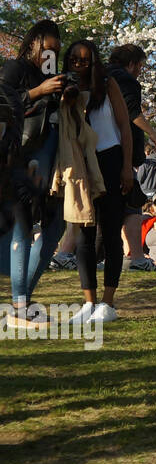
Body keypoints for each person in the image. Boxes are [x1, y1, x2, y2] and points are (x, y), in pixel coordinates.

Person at [0, 20, 68, 329]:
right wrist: (38, 91)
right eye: (47, 47)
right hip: (25, 156)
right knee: (24, 225)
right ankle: (19, 304)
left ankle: (23, 300)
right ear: (33, 43)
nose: (50, 54)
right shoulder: (15, 68)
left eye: (56, 49)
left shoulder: (56, 75)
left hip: (57, 160)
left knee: (55, 227)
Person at [64, 40, 134, 324]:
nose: (80, 65)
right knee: (83, 234)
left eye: (86, 60)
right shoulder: (64, 89)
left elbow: (124, 126)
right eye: (75, 60)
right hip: (79, 164)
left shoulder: (108, 85)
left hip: (110, 158)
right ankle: (88, 302)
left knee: (110, 229)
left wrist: (127, 166)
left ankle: (108, 302)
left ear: (95, 62)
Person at [106, 44, 156, 272]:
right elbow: (132, 112)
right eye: (139, 66)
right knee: (131, 204)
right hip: (121, 151)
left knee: (118, 204)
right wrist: (153, 134)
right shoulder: (126, 81)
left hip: (101, 147)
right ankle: (137, 257)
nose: (140, 71)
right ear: (130, 64)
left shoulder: (101, 76)